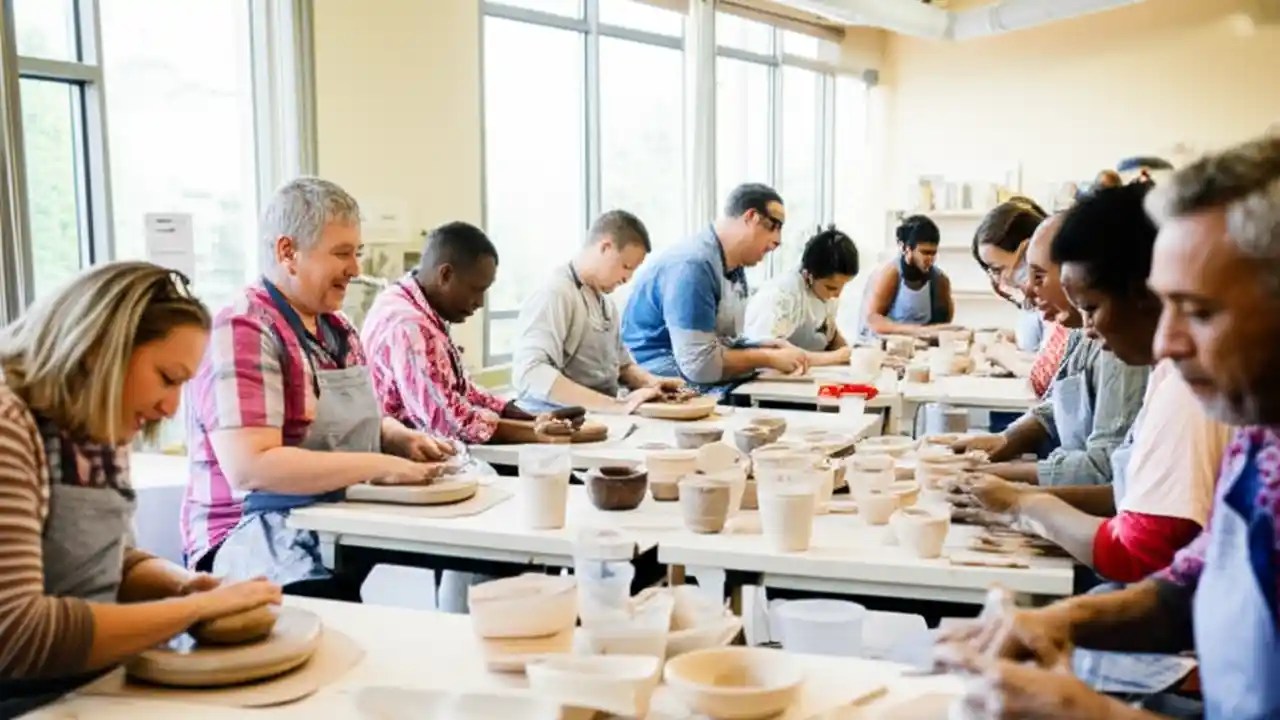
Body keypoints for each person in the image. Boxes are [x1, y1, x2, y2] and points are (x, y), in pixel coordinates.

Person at [935, 135, 1280, 720]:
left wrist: (1098, 714)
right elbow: (1186, 582)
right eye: (1165, 305)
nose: (1168, 343)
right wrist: (1056, 619)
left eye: (1198, 312)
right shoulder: (1258, 436)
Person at [0, 263, 281, 715]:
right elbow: (18, 635)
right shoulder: (9, 426)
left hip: (88, 686)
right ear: (100, 348)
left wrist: (188, 585)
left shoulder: (97, 425)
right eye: (167, 378)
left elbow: (116, 563)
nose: (171, 408)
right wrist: (194, 611)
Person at [184, 178, 449, 599]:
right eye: (342, 254)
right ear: (287, 252)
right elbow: (252, 466)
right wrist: (375, 466)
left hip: (331, 519)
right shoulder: (244, 327)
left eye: (356, 253)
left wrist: (394, 437)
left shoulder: (336, 328)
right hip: (253, 539)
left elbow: (331, 423)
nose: (356, 270)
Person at [954, 184, 1228, 584]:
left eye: (1092, 308)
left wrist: (1021, 504)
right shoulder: (1163, 371)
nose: (1086, 327)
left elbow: (1135, 552)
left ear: (1146, 294)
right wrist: (1011, 492)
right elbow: (1126, 493)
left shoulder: (1186, 388)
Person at [952, 211, 1151, 486]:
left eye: (1039, 276)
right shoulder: (1078, 330)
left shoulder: (1120, 346)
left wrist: (989, 476)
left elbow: (1104, 468)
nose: (1027, 290)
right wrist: (1003, 441)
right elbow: (1056, 406)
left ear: (1077, 273)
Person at [362, 221, 549, 444]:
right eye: (476, 289)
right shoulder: (409, 325)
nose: (480, 303)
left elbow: (460, 390)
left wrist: (516, 412)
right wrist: (539, 433)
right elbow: (448, 421)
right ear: (446, 275)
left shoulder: (413, 302)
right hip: (403, 459)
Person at [621, 183, 808, 395]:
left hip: (703, 383)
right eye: (775, 226)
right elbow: (699, 365)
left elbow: (724, 342)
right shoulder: (693, 266)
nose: (778, 241)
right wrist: (767, 358)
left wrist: (770, 346)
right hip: (663, 387)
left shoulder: (734, 267)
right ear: (751, 217)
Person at [511, 210, 685, 414]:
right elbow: (530, 372)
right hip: (556, 423)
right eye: (626, 267)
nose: (627, 278)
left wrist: (653, 383)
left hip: (602, 417)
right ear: (605, 247)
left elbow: (623, 366)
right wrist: (616, 406)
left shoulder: (606, 304)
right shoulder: (555, 293)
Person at [743, 225, 859, 366]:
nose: (837, 294)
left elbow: (831, 335)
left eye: (843, 286)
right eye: (831, 287)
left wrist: (854, 355)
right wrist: (836, 357)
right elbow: (769, 354)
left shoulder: (825, 293)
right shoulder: (782, 295)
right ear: (808, 275)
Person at [859, 214, 958, 339]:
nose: (930, 259)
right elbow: (873, 319)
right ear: (906, 248)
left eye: (933, 253)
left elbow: (942, 324)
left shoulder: (940, 280)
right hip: (886, 345)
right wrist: (917, 331)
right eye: (924, 252)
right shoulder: (890, 274)